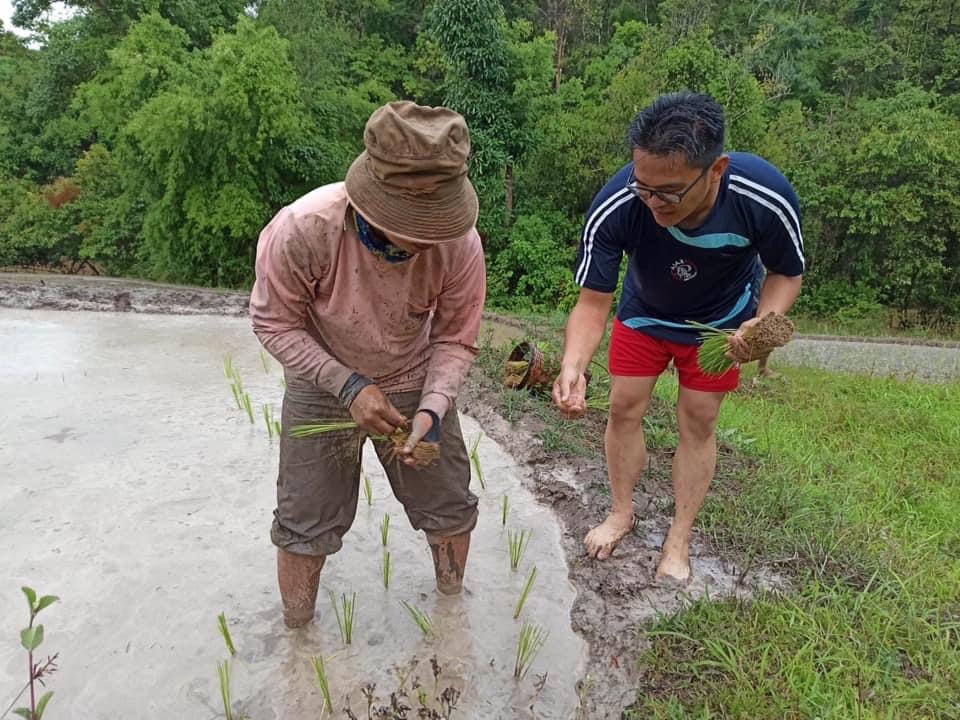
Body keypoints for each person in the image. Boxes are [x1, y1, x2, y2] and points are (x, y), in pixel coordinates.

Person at [250, 101, 486, 627]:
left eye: (435, 222)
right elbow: (273, 322)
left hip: (415, 377)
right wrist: (347, 385)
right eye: (414, 224)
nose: (428, 236)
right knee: (303, 521)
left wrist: (431, 412)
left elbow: (455, 339)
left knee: (448, 504)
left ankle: (451, 625)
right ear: (371, 202)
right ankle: (297, 637)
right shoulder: (305, 229)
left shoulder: (459, 245)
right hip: (321, 377)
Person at [553, 91, 804, 582]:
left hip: (719, 325)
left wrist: (763, 321)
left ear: (716, 170)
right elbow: (592, 301)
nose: (652, 202)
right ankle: (621, 512)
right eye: (643, 187)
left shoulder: (763, 196)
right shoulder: (621, 202)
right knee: (624, 407)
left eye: (667, 192)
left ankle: (679, 537)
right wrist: (573, 364)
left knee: (699, 420)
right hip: (644, 313)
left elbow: (786, 272)